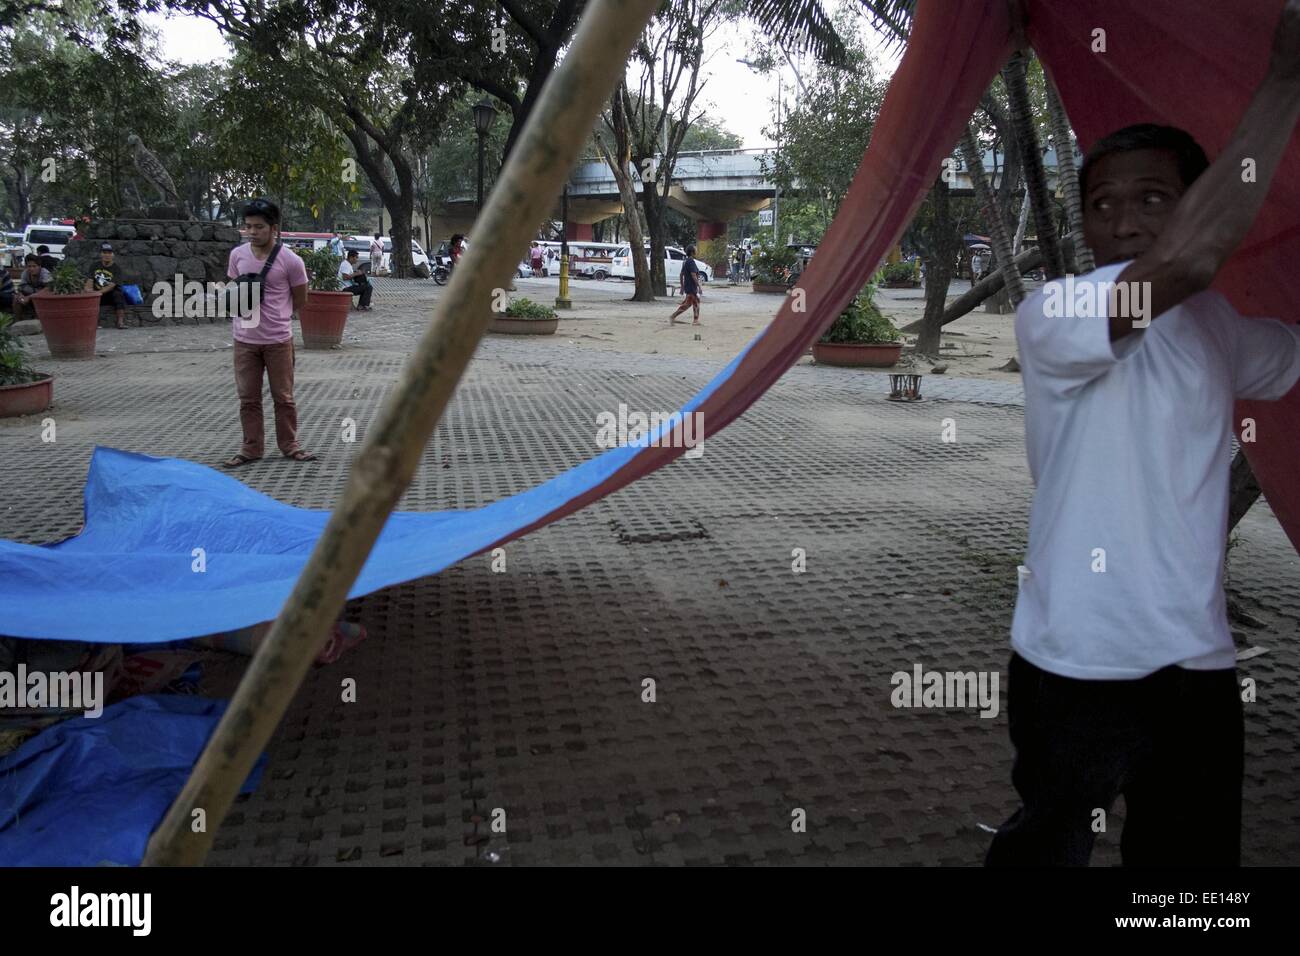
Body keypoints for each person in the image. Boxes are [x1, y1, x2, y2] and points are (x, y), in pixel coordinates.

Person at [987, 2, 1300, 868]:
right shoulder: (1057, 315)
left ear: (1197, 204)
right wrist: (1283, 82)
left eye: (1154, 199)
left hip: (1196, 665)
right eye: (1103, 205)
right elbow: (1188, 262)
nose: (1121, 222)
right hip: (1071, 661)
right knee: (1045, 854)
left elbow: (1287, 352)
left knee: (1190, 881)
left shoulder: (1220, 330)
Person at [222, 198, 317, 468]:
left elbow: (300, 299)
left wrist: (278, 315)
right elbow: (234, 289)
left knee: (284, 398)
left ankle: (290, 445)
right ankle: (251, 448)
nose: (252, 232)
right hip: (244, 340)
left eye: (259, 227)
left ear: (274, 228)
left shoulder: (291, 261)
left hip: (277, 340)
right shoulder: (237, 255)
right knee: (248, 399)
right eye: (248, 226)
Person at [83, 242, 127, 329]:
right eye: (104, 253)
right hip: (97, 293)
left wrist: (97, 293)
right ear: (101, 254)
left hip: (109, 294)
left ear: (113, 255)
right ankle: (93, 322)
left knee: (118, 295)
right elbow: (90, 280)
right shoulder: (94, 265)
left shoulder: (116, 268)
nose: (107, 255)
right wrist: (88, 290)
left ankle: (120, 322)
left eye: (109, 253)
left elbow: (111, 285)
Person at [668, 244, 703, 326]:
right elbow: (693, 275)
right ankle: (674, 316)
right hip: (691, 286)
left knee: (692, 303)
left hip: (688, 286)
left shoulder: (686, 261)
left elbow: (681, 274)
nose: (697, 251)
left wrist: (682, 286)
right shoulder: (691, 262)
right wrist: (699, 286)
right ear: (692, 252)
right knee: (692, 303)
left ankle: (694, 320)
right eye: (696, 250)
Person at [11, 253, 51, 321]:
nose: (31, 269)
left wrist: (30, 297)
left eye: (34, 266)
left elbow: (48, 288)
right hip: (29, 295)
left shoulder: (45, 273)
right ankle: (17, 321)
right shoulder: (25, 273)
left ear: (39, 266)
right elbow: (21, 287)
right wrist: (20, 295)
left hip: (42, 298)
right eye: (29, 266)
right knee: (16, 300)